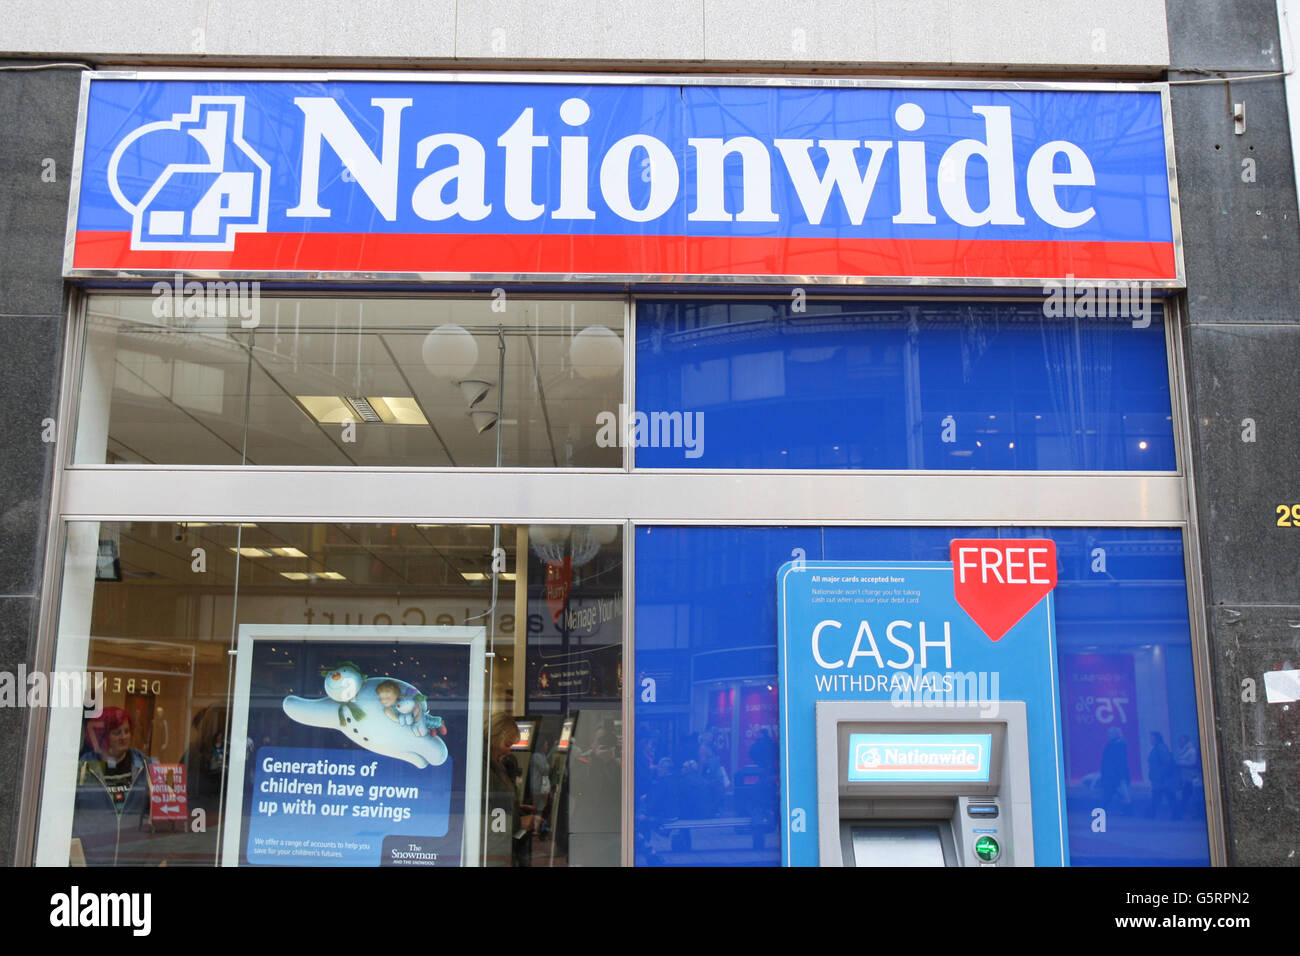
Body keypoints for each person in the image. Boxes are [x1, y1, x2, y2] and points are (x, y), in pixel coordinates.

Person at [71, 706, 156, 865]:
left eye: (126, 731)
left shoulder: (145, 766)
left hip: (133, 860)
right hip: (91, 861)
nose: (123, 737)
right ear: (102, 736)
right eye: (116, 733)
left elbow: (165, 812)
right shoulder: (84, 768)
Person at [486, 713, 540, 867]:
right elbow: (488, 816)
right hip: (494, 848)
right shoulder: (485, 768)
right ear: (495, 739)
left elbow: (497, 803)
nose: (508, 752)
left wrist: (515, 808)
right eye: (507, 745)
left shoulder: (495, 765)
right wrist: (519, 822)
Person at [1098, 725, 1131, 814]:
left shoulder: (1118, 744)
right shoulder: (1115, 744)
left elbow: (1119, 761)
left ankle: (1102, 810)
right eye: (1108, 733)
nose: (1108, 735)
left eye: (1110, 733)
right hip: (1114, 774)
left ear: (1116, 734)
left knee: (1111, 793)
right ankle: (1128, 811)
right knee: (1118, 793)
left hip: (1115, 774)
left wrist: (1121, 776)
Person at [1147, 731, 1178, 818]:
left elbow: (1166, 763)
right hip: (1159, 778)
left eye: (1152, 738)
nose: (1150, 740)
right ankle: (1151, 814)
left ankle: (1151, 814)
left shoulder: (1161, 748)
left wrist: (1161, 775)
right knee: (1162, 796)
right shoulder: (1157, 748)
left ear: (1156, 738)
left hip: (1162, 779)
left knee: (1165, 795)